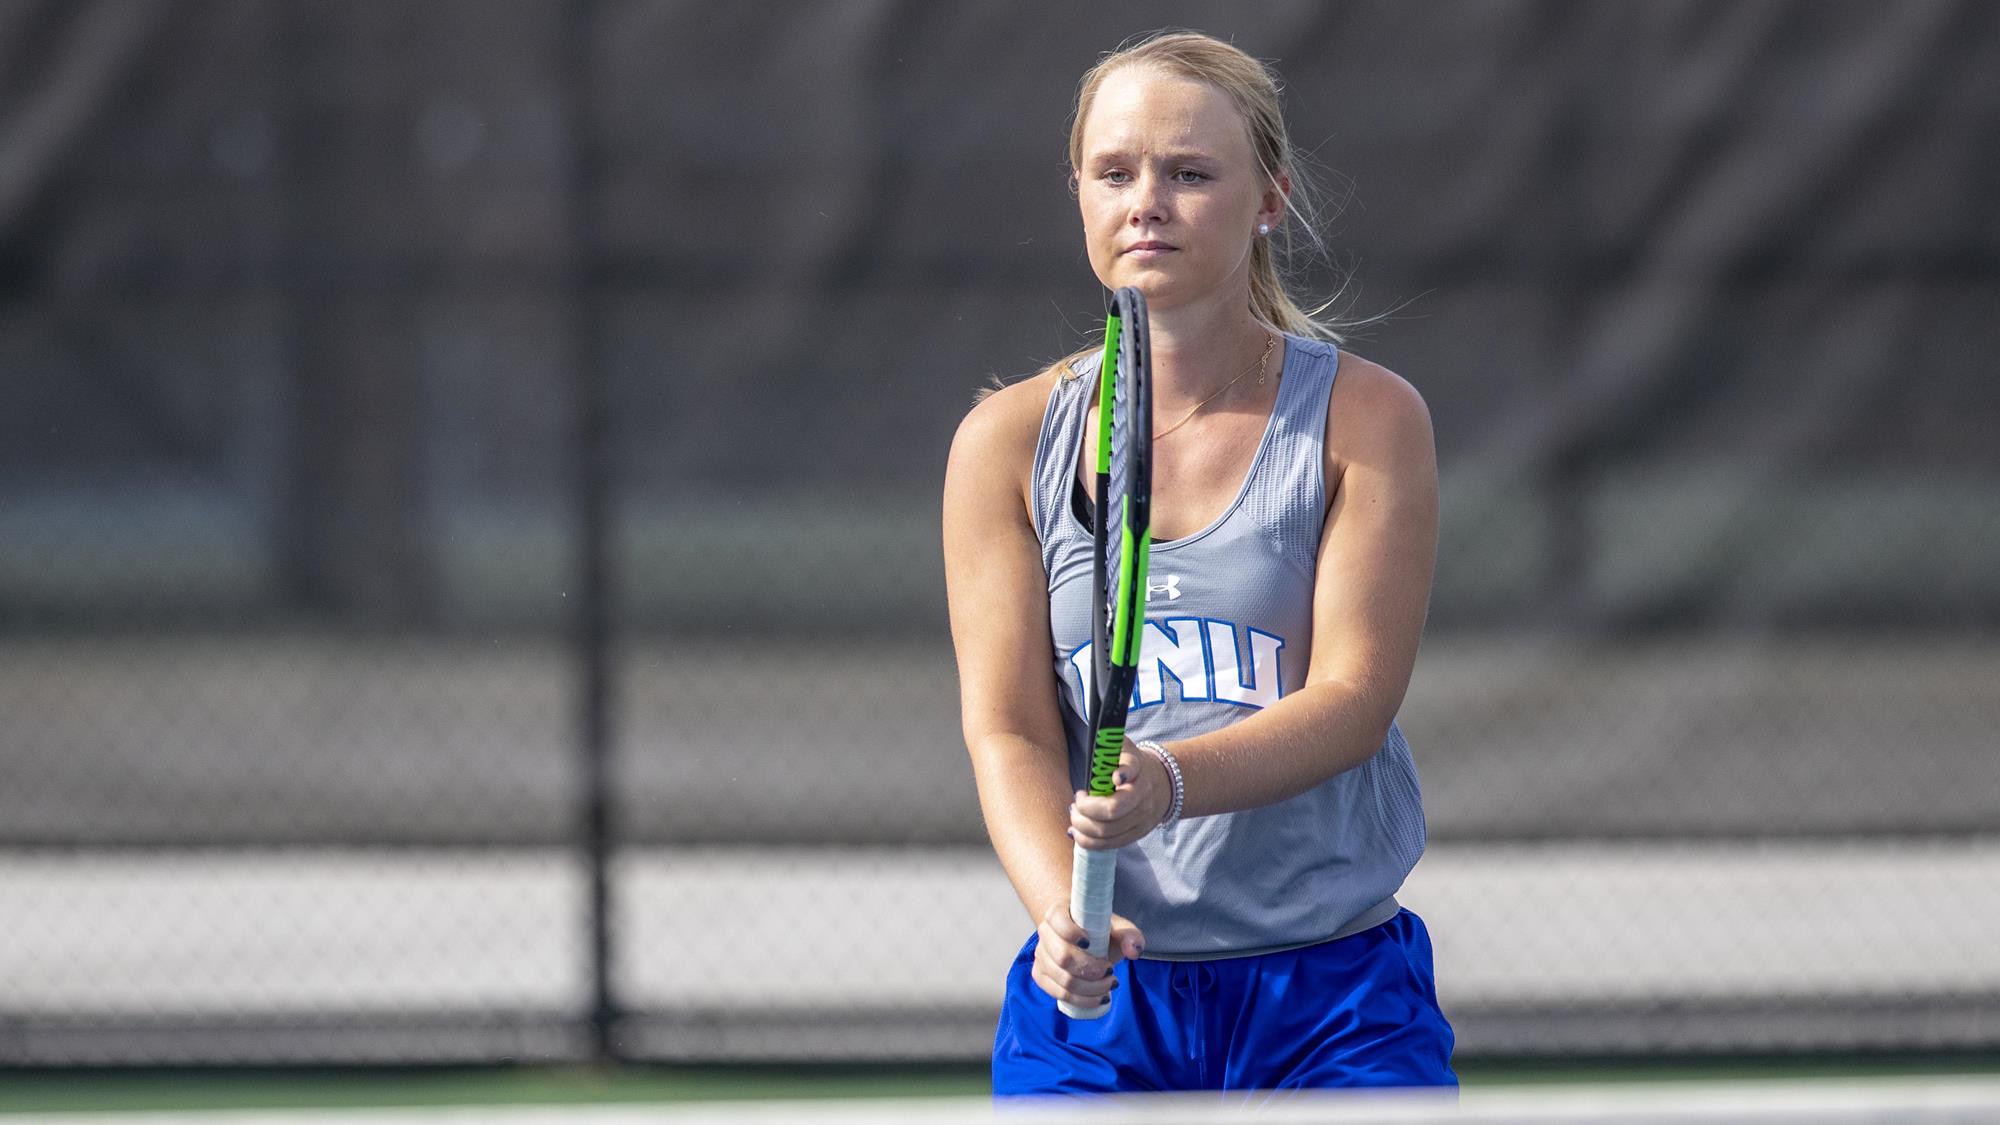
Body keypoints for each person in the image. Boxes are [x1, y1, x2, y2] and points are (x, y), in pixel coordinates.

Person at [941, 30, 1456, 1096]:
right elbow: (1007, 729)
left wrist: (1168, 783)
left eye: (1188, 173)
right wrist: (1062, 916)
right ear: (1078, 193)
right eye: (1114, 171)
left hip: (1334, 998)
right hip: (1100, 1007)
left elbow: (1355, 696)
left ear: (1267, 200)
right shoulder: (1001, 441)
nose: (1146, 201)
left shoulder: (1366, 417)